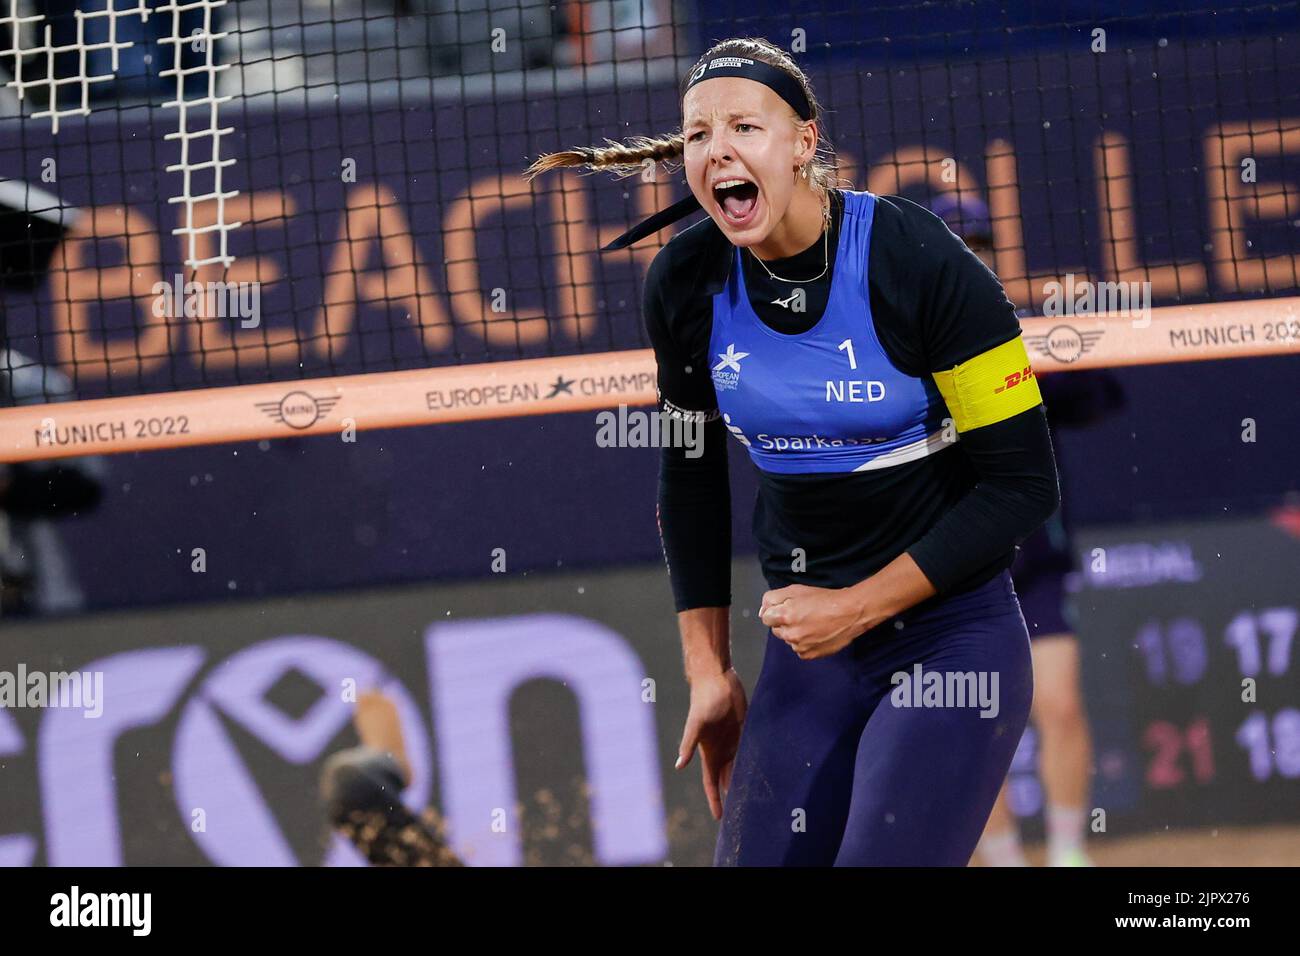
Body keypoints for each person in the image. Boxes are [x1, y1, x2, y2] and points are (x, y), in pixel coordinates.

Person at [524, 37, 1059, 865]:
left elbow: (1023, 489)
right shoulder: (686, 282)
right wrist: (709, 671)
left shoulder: (918, 260)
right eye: (699, 135)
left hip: (953, 642)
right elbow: (690, 472)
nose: (718, 150)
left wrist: (856, 606)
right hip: (813, 657)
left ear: (803, 143)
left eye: (745, 126)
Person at [929, 193, 1126, 866]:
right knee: (977, 729)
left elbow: (1101, 394)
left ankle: (1070, 856)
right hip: (955, 574)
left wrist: (1046, 351)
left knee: (1061, 708)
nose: (968, 254)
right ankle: (1008, 861)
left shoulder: (1024, 336)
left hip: (1035, 567)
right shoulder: (911, 344)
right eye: (957, 243)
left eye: (978, 244)